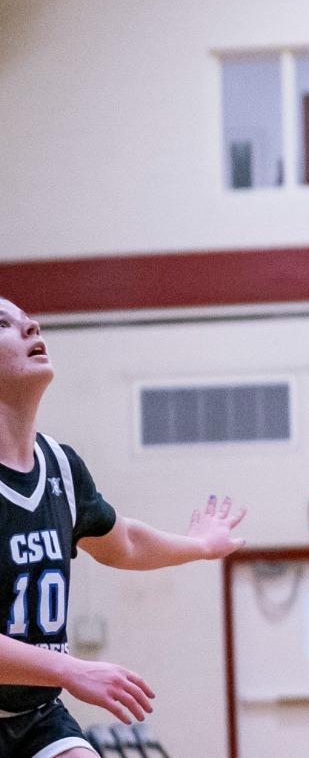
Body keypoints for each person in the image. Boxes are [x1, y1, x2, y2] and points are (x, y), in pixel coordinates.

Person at [0, 298, 247, 758]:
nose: (31, 325)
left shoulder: (61, 467)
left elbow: (124, 543)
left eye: (27, 318)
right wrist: (69, 669)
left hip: (36, 716)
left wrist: (200, 545)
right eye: (4, 324)